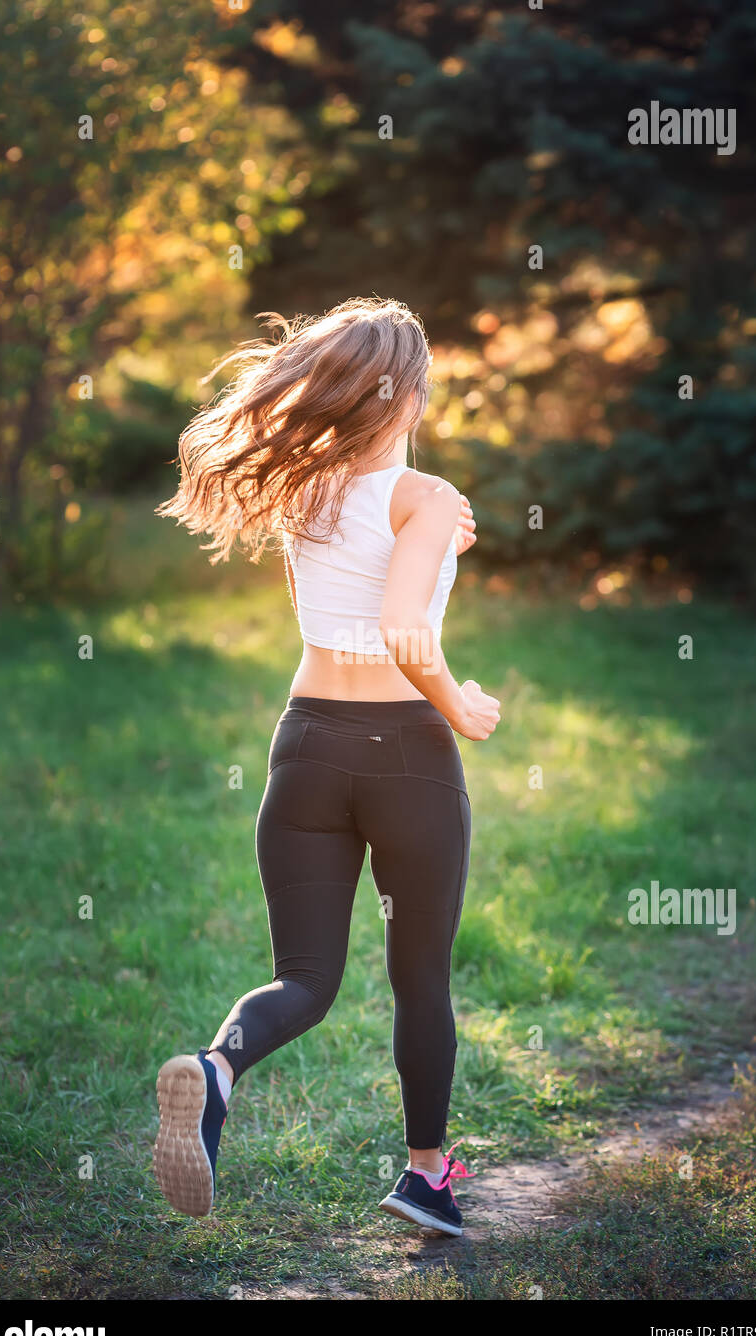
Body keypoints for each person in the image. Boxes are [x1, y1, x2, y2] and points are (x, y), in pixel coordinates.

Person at [152, 296, 500, 1236]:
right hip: (406, 755)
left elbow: (363, 568)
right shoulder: (423, 496)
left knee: (304, 978)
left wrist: (435, 545)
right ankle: (427, 1176)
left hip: (304, 743)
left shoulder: (303, 492)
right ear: (410, 396)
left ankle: (216, 1069)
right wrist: (460, 704)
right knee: (419, 973)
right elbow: (399, 627)